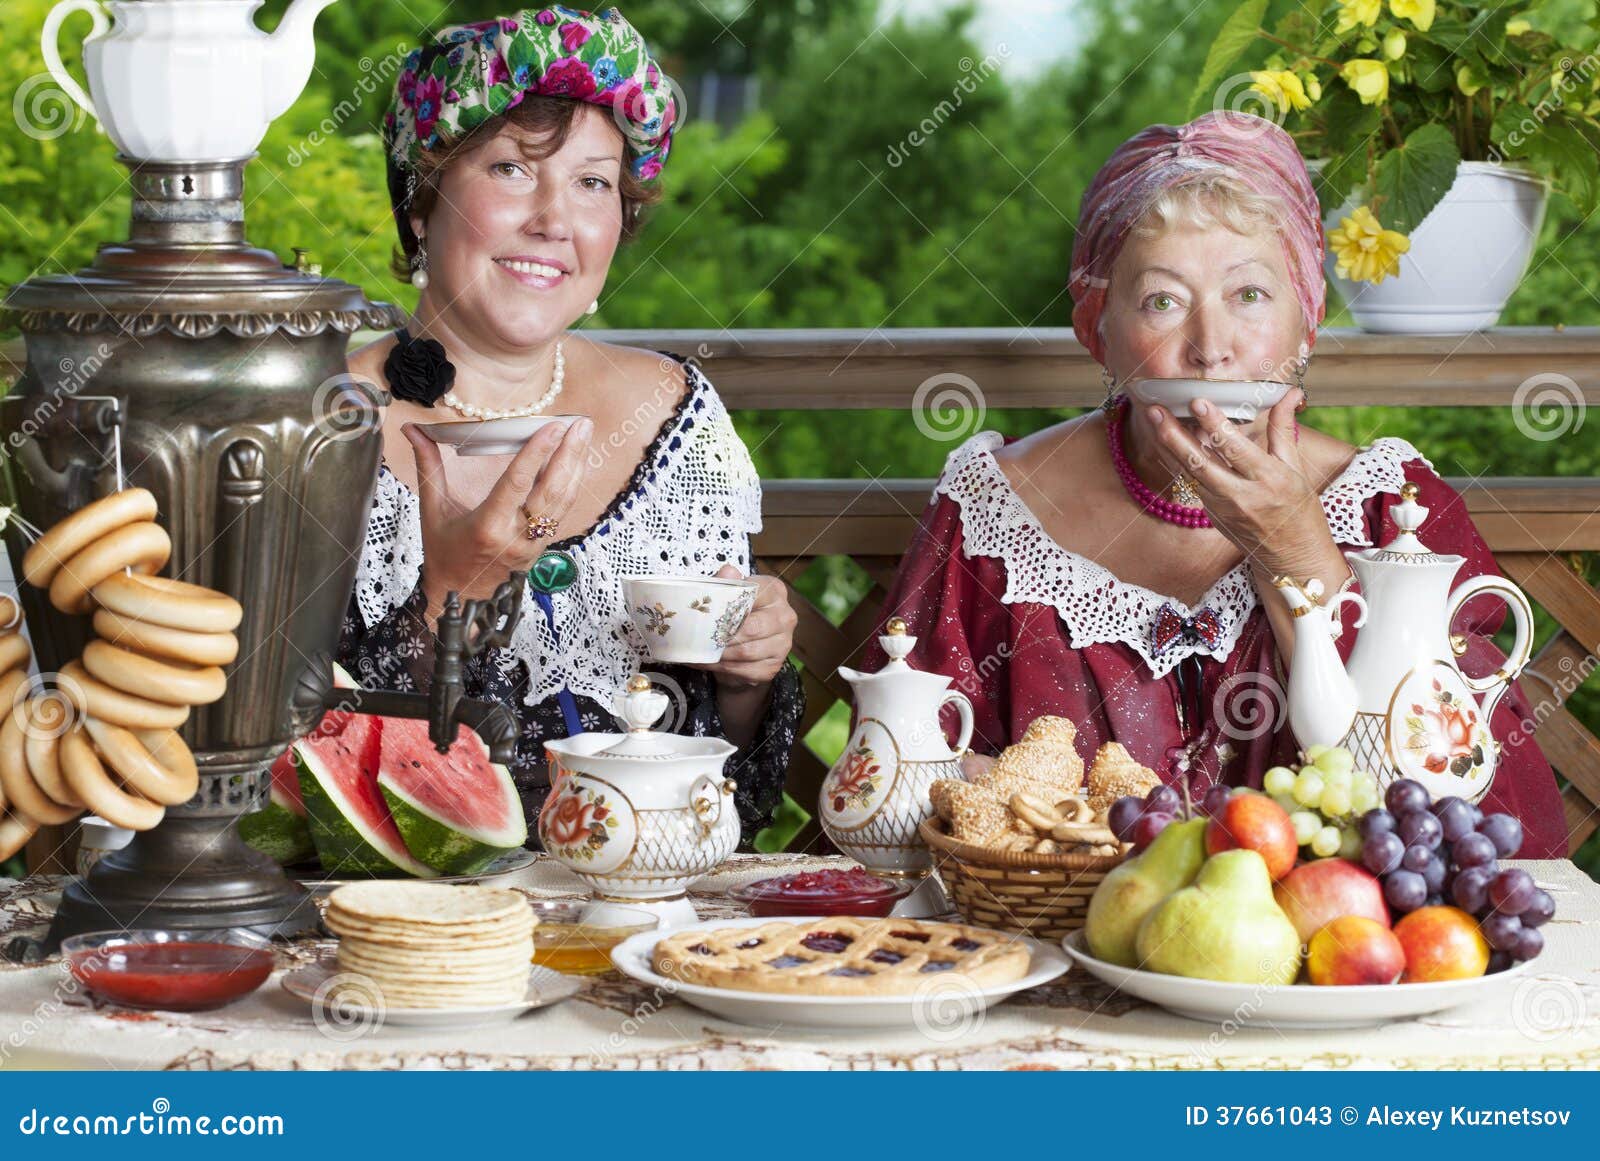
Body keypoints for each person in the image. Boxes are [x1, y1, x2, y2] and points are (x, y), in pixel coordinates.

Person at [873, 112, 1566, 857]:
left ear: (1308, 323)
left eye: (1250, 296)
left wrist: (1297, 550)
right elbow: (896, 779)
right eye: (1163, 301)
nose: (1210, 349)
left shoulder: (1395, 508)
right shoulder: (993, 505)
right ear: (1095, 328)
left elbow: (1471, 816)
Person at [340, 7, 801, 839]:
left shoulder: (679, 417)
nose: (555, 219)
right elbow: (290, 769)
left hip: (643, 914)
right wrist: (450, 598)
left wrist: (747, 678)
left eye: (593, 182)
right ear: (421, 204)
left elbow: (731, 788)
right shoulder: (318, 426)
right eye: (513, 169)